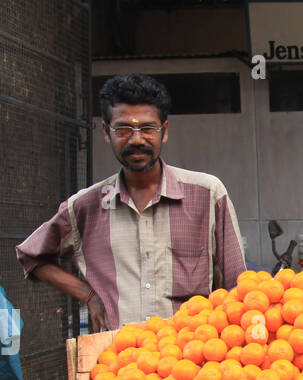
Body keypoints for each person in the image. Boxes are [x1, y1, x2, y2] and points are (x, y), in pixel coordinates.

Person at [16, 73, 247, 333]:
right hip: (117, 362)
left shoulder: (207, 195)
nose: (136, 139)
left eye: (148, 128)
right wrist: (89, 295)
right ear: (106, 132)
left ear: (164, 131)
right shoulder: (85, 207)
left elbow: (239, 290)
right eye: (124, 129)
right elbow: (31, 256)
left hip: (191, 363)